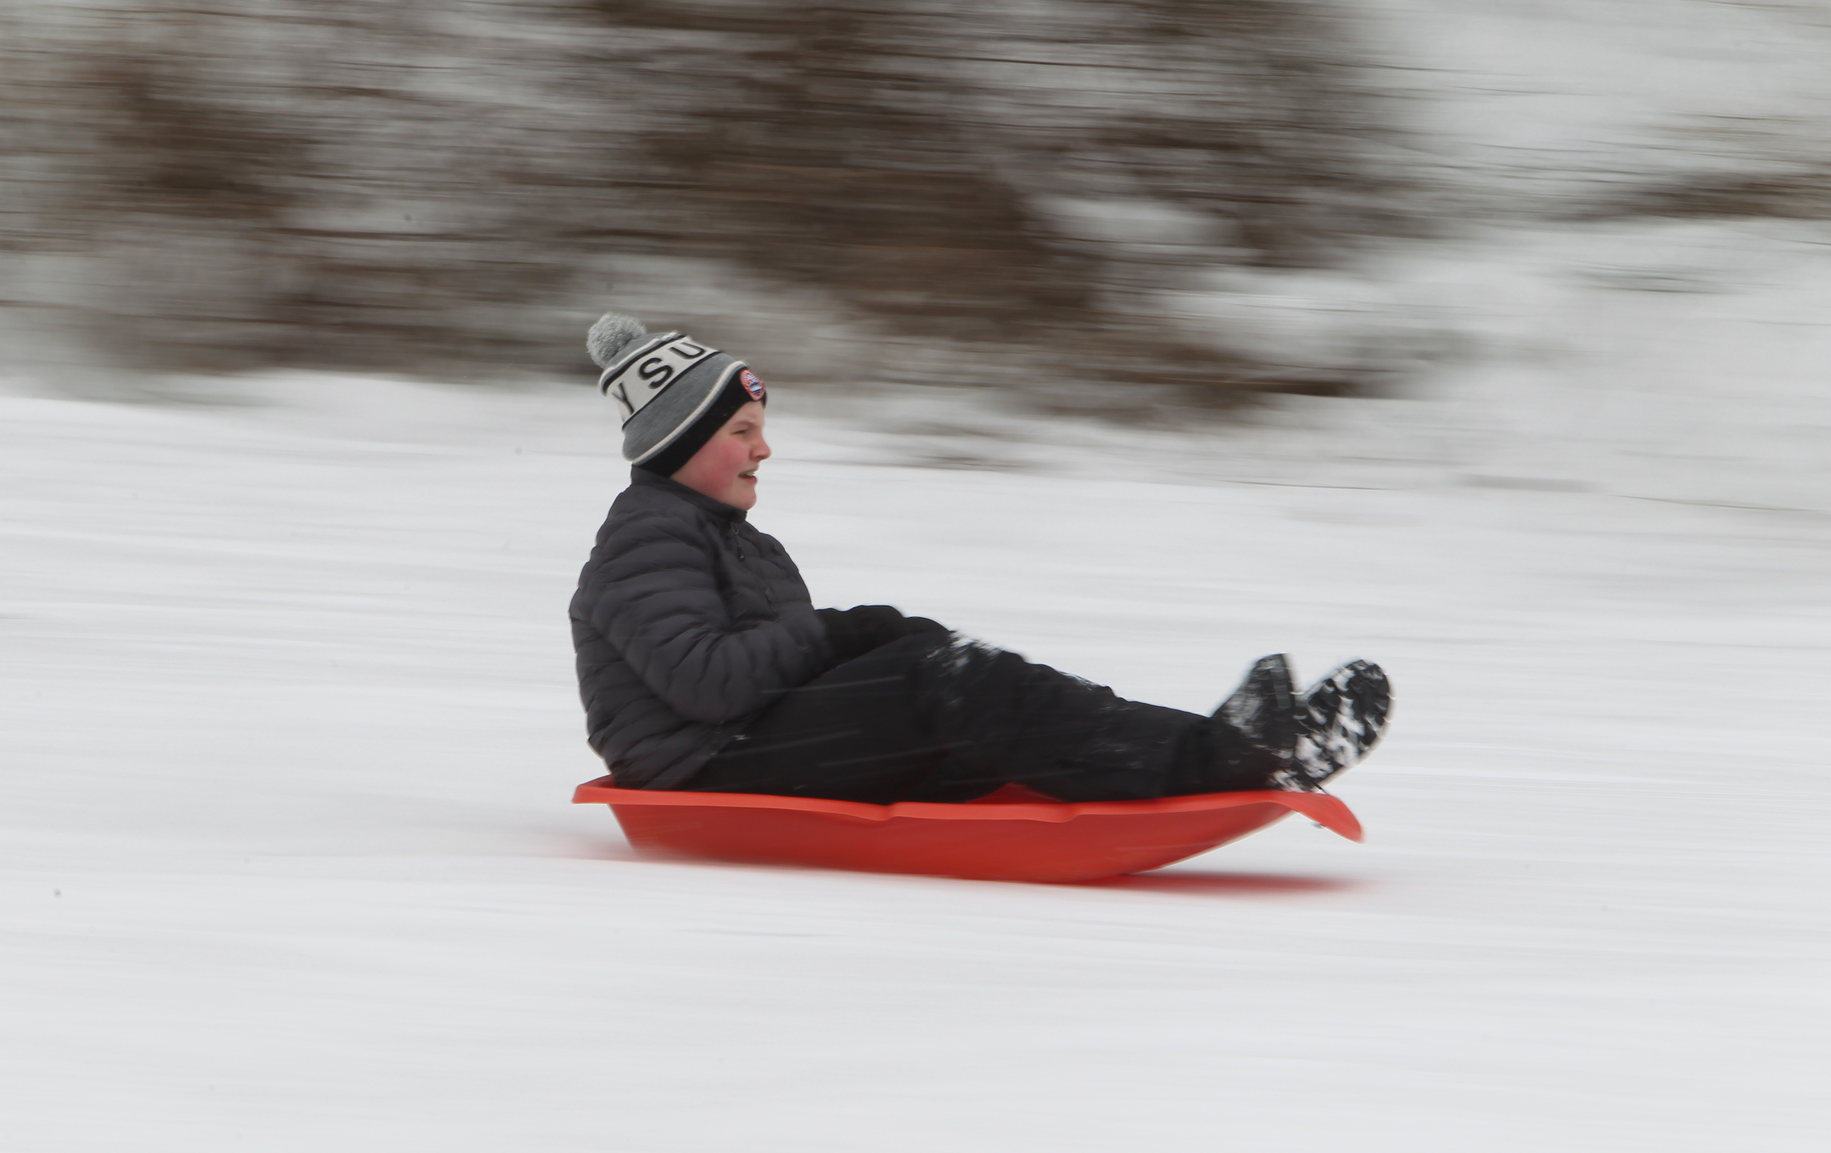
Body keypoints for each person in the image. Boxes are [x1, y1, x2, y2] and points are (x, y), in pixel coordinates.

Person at [570, 313, 1389, 803]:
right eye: (742, 432)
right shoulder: (645, 536)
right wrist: (856, 635)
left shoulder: (740, 543)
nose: (766, 448)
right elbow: (711, 683)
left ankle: (1222, 744)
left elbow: (782, 672)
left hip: (747, 749)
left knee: (960, 674)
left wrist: (878, 641)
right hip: (707, 773)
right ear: (680, 444)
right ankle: (1221, 758)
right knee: (940, 673)